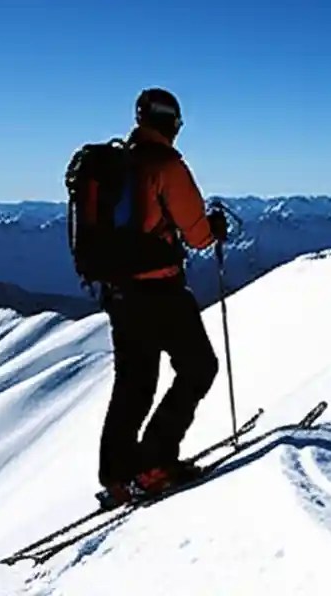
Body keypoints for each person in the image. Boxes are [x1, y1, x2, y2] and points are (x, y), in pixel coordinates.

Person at [96, 87, 229, 507]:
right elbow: (198, 235)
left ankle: (118, 475)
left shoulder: (114, 165)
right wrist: (214, 228)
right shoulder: (166, 166)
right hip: (160, 289)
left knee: (133, 385)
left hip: (119, 292)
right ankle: (154, 463)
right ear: (171, 122)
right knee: (199, 366)